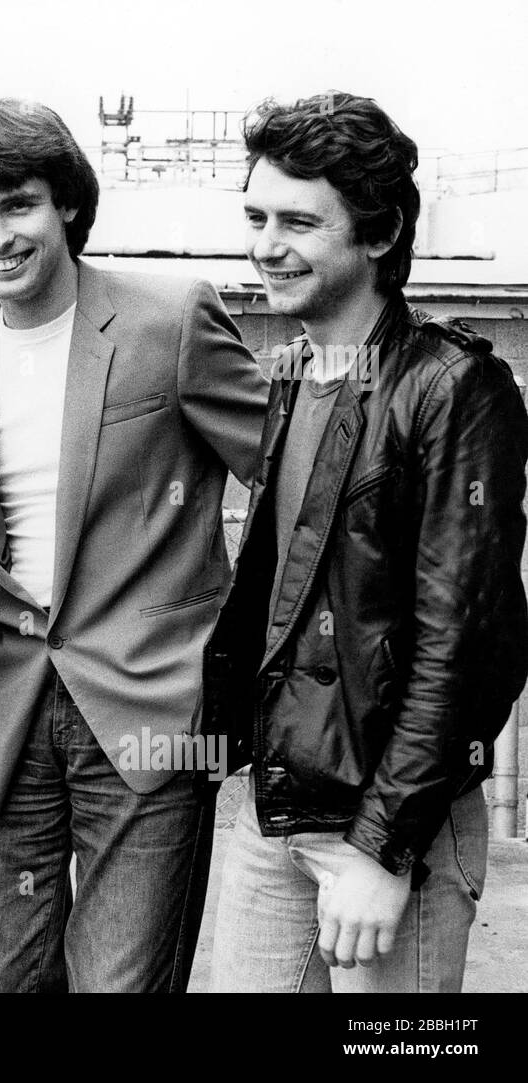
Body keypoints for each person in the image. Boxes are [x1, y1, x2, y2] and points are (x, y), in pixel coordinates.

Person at [0, 99, 268, 991]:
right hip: (7, 709)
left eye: (18, 204)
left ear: (68, 206)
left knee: (120, 983)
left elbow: (296, 487)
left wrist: (232, 639)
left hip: (150, 705)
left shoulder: (171, 321)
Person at [206, 91, 528, 992]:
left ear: (380, 234)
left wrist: (384, 848)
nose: (266, 244)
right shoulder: (297, 372)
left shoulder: (455, 386)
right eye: (256, 217)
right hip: (273, 812)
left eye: (299, 222)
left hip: (393, 829)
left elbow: (463, 643)